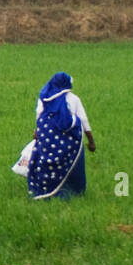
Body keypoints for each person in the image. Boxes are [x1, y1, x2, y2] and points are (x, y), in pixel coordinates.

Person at [27, 72, 96, 200]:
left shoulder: (44, 98)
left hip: (47, 137)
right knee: (72, 165)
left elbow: (39, 115)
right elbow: (84, 120)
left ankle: (45, 190)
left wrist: (37, 131)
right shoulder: (74, 99)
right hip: (70, 141)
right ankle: (73, 192)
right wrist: (91, 141)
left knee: (45, 163)